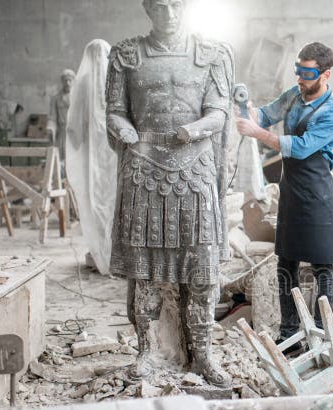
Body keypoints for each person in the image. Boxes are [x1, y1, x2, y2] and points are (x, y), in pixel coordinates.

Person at [105, 0, 234, 384]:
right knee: (144, 271)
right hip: (144, 168)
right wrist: (123, 129)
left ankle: (203, 356)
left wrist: (193, 130)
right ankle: (147, 353)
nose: (169, 13)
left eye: (176, 4)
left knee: (202, 270)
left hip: (194, 170)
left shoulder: (210, 53)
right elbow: (114, 109)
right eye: (160, 6)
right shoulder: (126, 55)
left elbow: (220, 110)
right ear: (148, 8)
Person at [236, 42, 333, 349]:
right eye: (298, 70)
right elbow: (266, 114)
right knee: (286, 263)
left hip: (318, 196)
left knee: (322, 265)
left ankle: (322, 336)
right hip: (291, 193)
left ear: (325, 74)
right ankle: (289, 333)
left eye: (307, 72)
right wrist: (244, 108)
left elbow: (299, 147)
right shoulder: (294, 96)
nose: (300, 78)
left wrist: (257, 134)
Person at [66, 39, 117, 276]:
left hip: (92, 157)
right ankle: (113, 253)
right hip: (114, 154)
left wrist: (80, 147)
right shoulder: (114, 81)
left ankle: (100, 251)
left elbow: (74, 128)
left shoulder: (84, 82)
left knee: (96, 198)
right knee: (113, 199)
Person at [48, 69, 75, 160]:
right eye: (65, 80)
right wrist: (51, 128)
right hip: (62, 131)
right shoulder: (56, 98)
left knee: (74, 158)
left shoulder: (78, 98)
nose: (67, 83)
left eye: (70, 80)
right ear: (62, 82)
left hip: (75, 133)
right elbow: (52, 117)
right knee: (62, 158)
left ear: (73, 81)